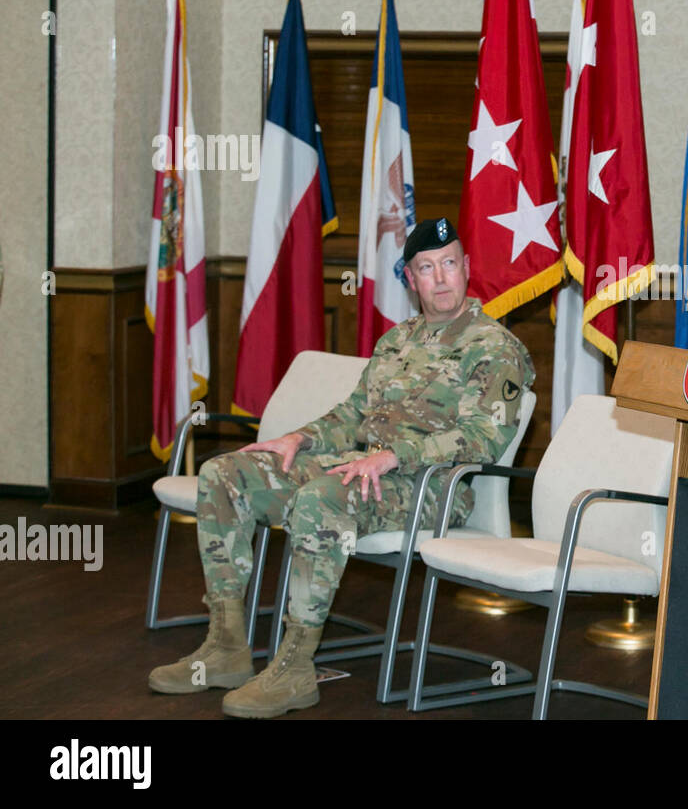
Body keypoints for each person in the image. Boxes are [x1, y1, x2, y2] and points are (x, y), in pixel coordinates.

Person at [148, 217, 535, 717]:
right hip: (364, 470)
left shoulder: (493, 346)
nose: (441, 278)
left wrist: (399, 454)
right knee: (225, 475)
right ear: (411, 279)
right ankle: (225, 646)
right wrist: (298, 437)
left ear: (466, 268)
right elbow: (354, 414)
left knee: (321, 499)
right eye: (426, 268)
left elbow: (485, 437)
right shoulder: (398, 341)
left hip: (432, 487)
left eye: (449, 264)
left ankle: (294, 668)